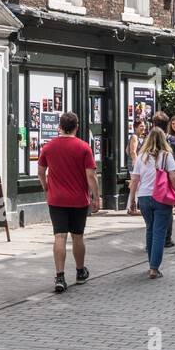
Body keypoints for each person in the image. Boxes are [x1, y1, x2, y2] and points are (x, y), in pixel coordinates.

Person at [39, 111, 99, 293]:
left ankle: (59, 276)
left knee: (59, 236)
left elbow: (41, 172)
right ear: (77, 127)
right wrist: (97, 197)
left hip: (56, 199)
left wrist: (46, 187)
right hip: (79, 200)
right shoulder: (83, 147)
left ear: (60, 126)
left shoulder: (48, 147)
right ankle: (80, 271)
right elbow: (91, 175)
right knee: (77, 236)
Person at [128, 127, 175, 279]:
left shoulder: (141, 157)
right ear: (163, 140)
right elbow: (173, 177)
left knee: (150, 229)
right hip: (161, 198)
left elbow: (134, 180)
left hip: (144, 197)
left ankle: (151, 264)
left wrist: (131, 201)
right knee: (159, 232)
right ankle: (154, 268)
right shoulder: (166, 156)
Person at [153, 111, 175, 247]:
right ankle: (166, 239)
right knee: (167, 210)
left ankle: (151, 241)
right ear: (167, 125)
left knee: (152, 213)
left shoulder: (148, 140)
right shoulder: (172, 140)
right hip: (166, 182)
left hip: (150, 181)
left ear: (153, 124)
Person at [126, 119, 148, 215]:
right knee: (135, 186)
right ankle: (131, 208)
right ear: (135, 127)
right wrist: (136, 163)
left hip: (138, 165)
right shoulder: (134, 137)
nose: (143, 128)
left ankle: (130, 207)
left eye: (144, 126)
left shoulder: (140, 137)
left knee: (136, 186)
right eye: (141, 126)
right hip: (134, 165)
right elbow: (132, 151)